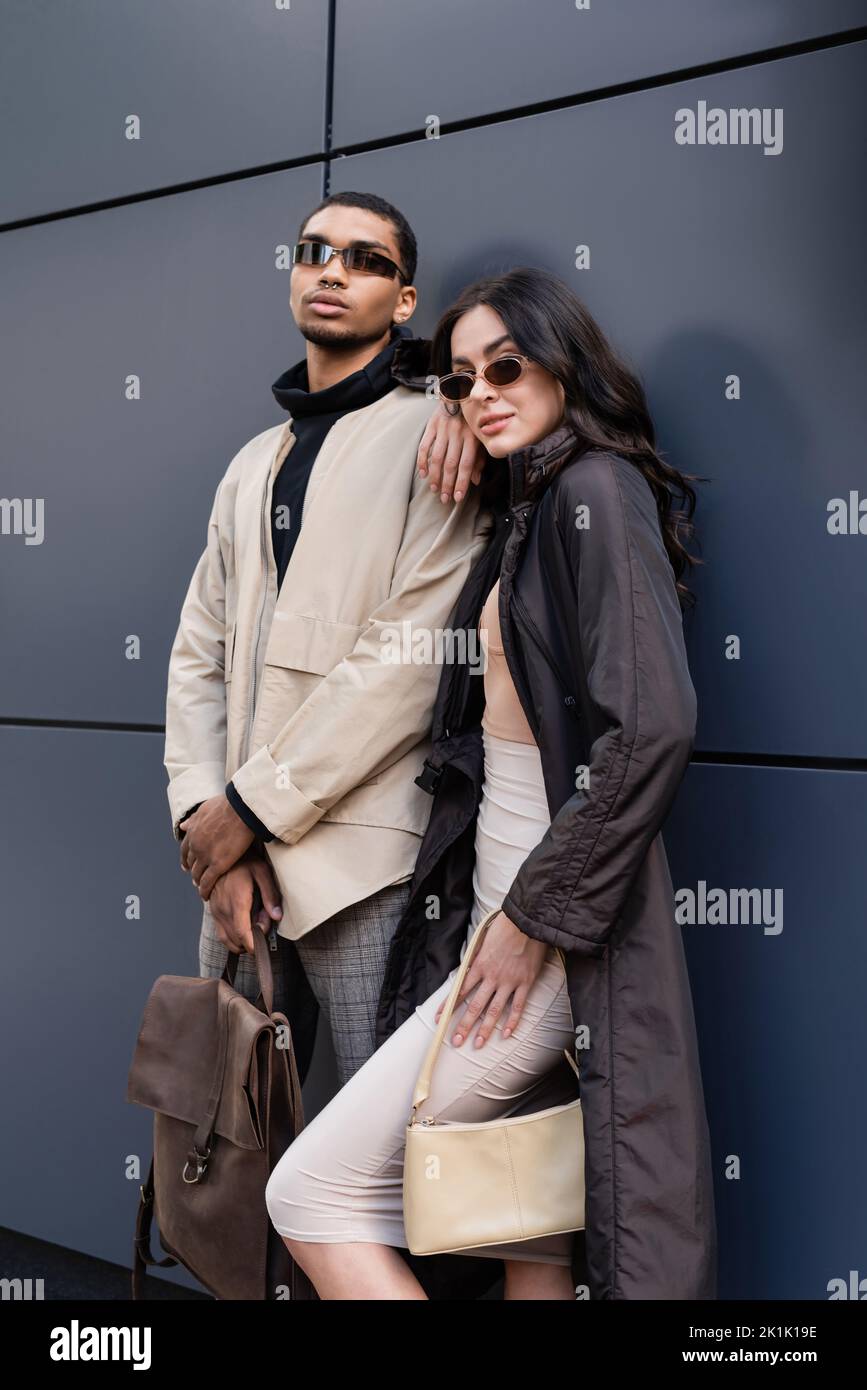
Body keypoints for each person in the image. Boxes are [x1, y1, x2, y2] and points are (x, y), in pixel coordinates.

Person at [264, 266, 717, 1302]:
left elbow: (652, 726)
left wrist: (532, 919)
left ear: (566, 363)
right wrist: (455, 408)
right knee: (530, 1223)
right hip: (504, 926)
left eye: (508, 367)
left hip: (548, 940)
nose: (482, 393)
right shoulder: (541, 501)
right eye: (461, 378)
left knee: (312, 1195)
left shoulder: (597, 493)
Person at [164, 191, 490, 1087]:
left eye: (365, 258)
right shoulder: (249, 464)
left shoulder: (438, 437)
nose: (332, 270)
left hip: (363, 870)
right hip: (230, 865)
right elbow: (199, 657)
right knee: (222, 1148)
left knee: (377, 1160)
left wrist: (251, 813)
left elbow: (408, 661)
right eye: (312, 251)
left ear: (406, 298)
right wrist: (206, 823)